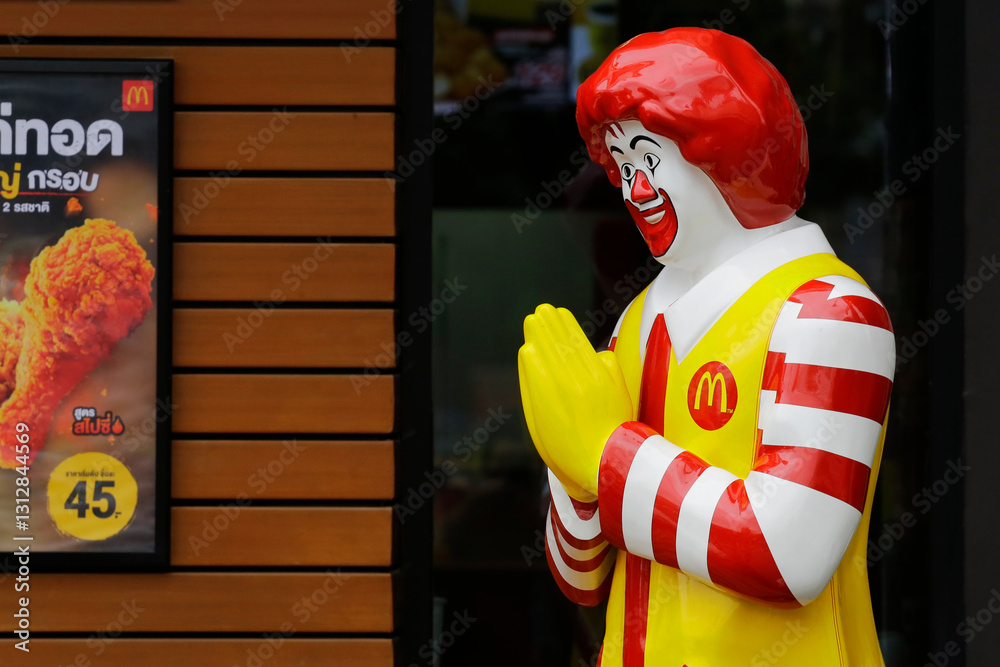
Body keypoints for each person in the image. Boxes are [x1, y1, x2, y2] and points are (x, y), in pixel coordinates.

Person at [518, 28, 894, 666]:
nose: (635, 190)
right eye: (624, 166)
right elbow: (582, 576)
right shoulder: (636, 322)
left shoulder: (829, 313)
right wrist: (570, 468)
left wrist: (604, 454)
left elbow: (788, 555)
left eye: (650, 158)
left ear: (730, 151)